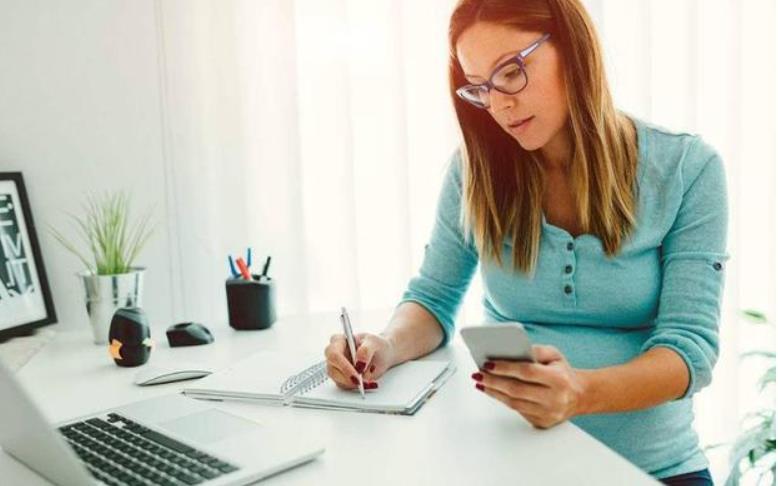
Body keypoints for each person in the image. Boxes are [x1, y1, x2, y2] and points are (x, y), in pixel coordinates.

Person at [323, 1, 729, 484]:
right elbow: (433, 299)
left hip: (654, 469)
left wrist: (580, 391)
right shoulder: (476, 173)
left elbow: (690, 352)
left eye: (512, 72)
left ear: (573, 49)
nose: (499, 105)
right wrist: (385, 347)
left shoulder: (688, 170)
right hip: (513, 462)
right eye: (481, 88)